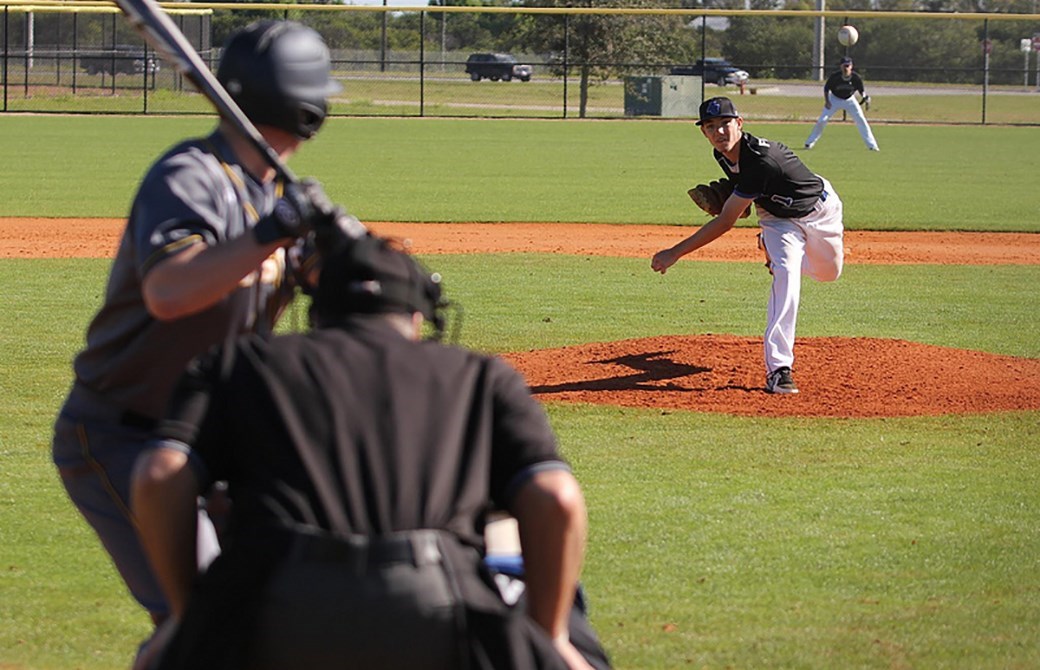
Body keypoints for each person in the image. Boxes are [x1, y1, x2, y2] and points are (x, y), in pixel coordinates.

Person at [129, 233, 608, 669]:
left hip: (275, 602)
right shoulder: (481, 375)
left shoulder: (237, 362)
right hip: (435, 604)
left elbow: (158, 477)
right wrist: (552, 638)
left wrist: (185, 614)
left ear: (317, 312)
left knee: (157, 658)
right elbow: (556, 498)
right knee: (565, 624)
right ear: (419, 315)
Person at [51, 19, 345, 627]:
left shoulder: (273, 195)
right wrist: (273, 235)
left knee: (282, 602)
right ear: (303, 104)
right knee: (205, 620)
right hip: (125, 434)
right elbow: (169, 291)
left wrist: (348, 263)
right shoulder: (192, 176)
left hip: (218, 442)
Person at [651, 97, 844, 394]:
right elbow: (744, 206)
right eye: (711, 127)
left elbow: (727, 221)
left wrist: (673, 253)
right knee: (786, 275)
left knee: (829, 273)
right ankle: (779, 369)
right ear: (704, 132)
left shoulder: (762, 161)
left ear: (739, 123)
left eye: (725, 124)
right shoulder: (723, 154)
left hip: (821, 210)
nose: (719, 132)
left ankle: (769, 249)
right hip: (778, 220)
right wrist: (738, 202)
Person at [804, 56, 879, 151]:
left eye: (848, 65)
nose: (846, 68)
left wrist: (865, 97)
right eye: (844, 65)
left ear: (851, 66)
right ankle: (809, 143)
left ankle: (872, 146)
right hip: (834, 98)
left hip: (849, 100)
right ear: (841, 66)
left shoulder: (856, 78)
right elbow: (826, 89)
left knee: (861, 120)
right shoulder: (835, 77)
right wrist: (827, 101)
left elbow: (861, 90)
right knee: (822, 120)